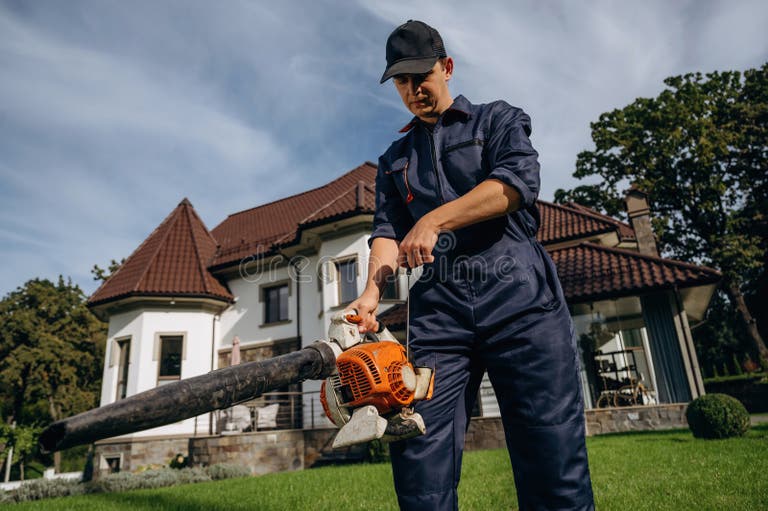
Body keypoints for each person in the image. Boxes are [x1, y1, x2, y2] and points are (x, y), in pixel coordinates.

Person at [349, 20, 595, 511]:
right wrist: (372, 293)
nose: (414, 89)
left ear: (447, 67)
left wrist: (435, 221)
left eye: (422, 75)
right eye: (401, 81)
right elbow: (385, 234)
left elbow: (514, 184)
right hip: (440, 315)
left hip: (521, 300)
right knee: (418, 450)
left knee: (551, 452)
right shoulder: (394, 160)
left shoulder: (496, 120)